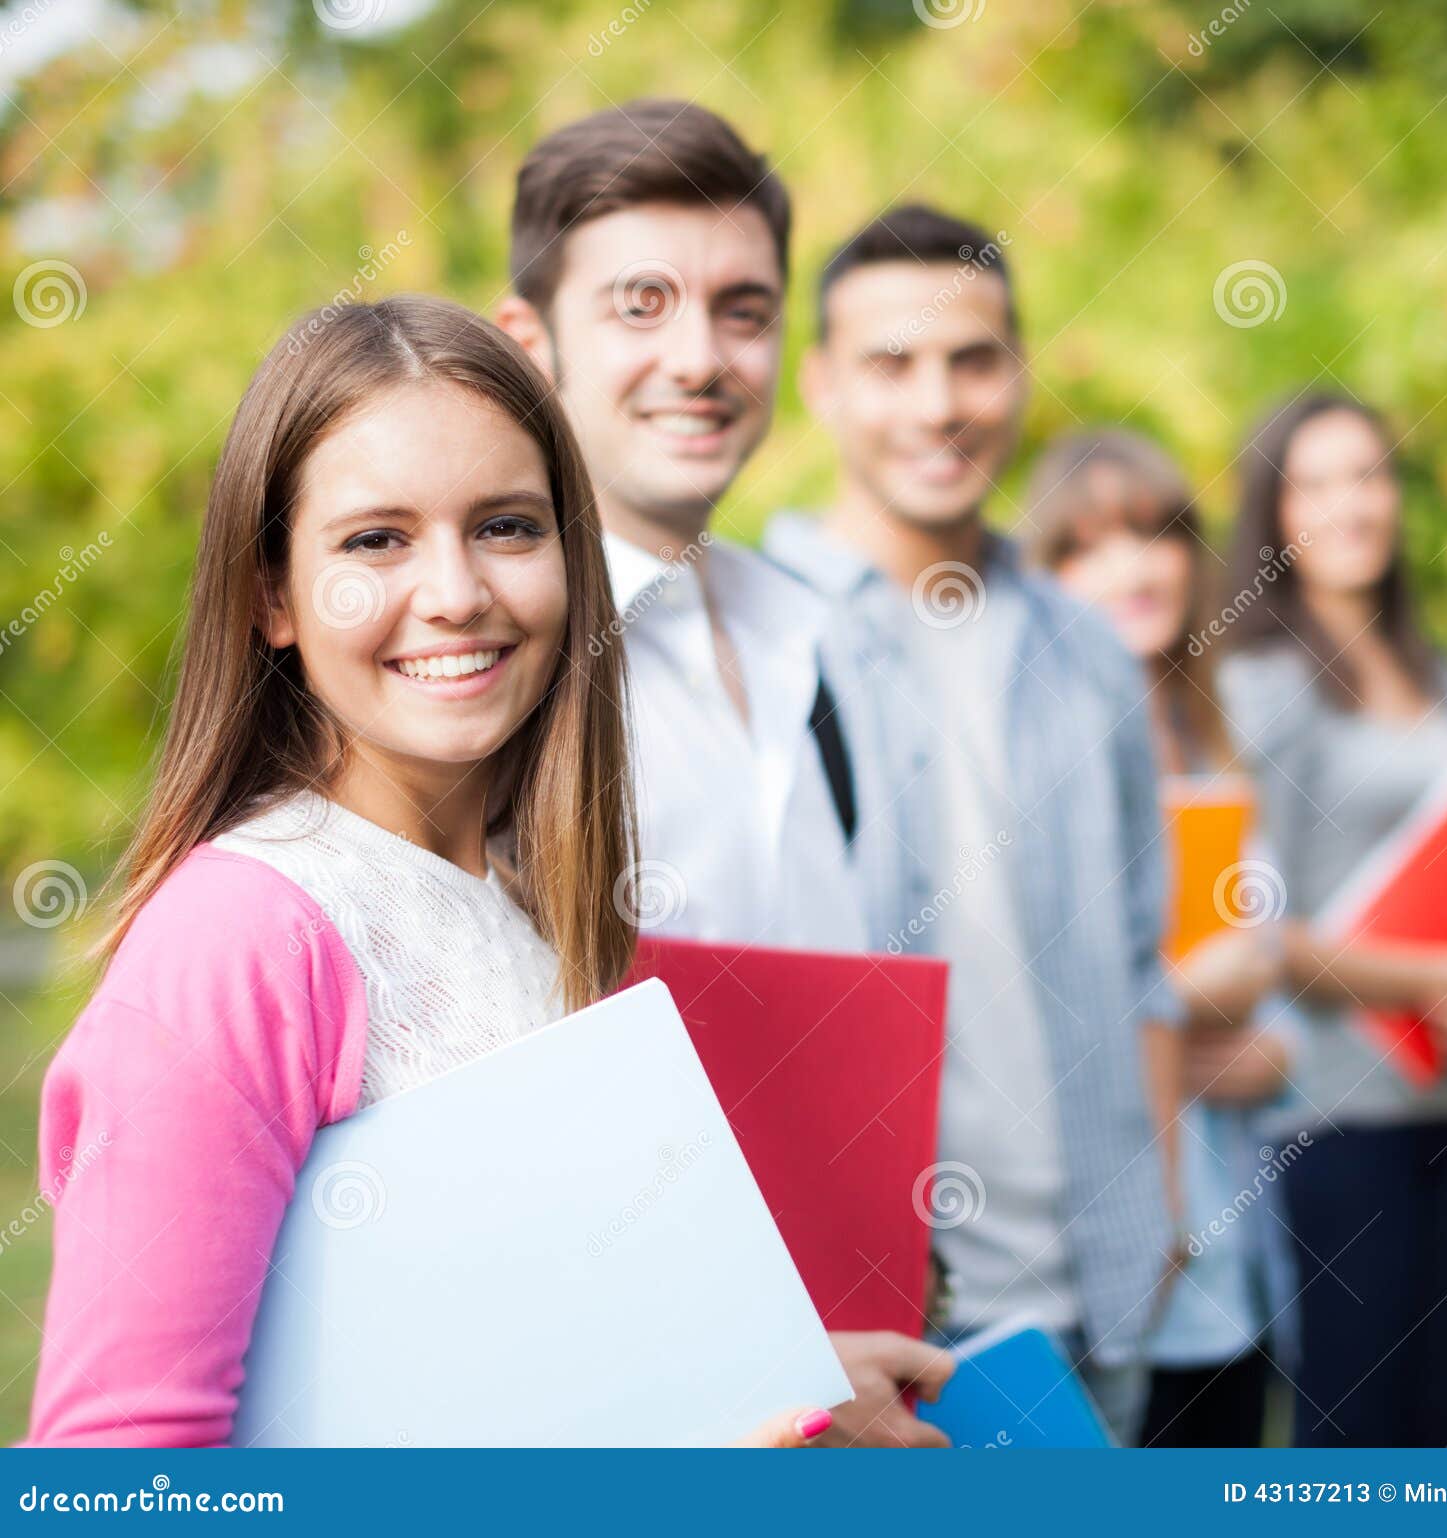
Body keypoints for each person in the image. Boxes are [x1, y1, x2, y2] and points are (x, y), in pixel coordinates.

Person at [23, 295, 831, 1450]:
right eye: (375, 539)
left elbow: (537, 1384)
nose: (455, 591)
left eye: (506, 525)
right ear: (271, 596)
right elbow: (114, 1482)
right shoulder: (239, 938)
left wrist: (786, 1383)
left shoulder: (532, 910)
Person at [497, 102, 952, 1446]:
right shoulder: (484, 678)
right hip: (625, 1410)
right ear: (531, 345)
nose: (699, 357)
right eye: (641, 304)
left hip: (855, 1377)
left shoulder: (817, 640)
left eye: (742, 309)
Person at [766, 205, 1182, 1444]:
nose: (938, 402)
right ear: (823, 386)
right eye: (892, 364)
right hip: (870, 1321)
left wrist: (1156, 1215)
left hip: (1098, 1294)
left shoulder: (1087, 647)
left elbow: (1142, 962)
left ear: (1019, 373)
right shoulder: (753, 638)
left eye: (973, 358)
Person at [1216, 389, 1447, 1447]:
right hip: (1331, 1119)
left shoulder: (1436, 670)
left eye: (1366, 474)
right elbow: (1256, 932)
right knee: (1352, 1434)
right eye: (1314, 482)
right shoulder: (1259, 682)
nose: (1348, 504)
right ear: (1273, 513)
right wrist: (1440, 974)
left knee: (1433, 1429)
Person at [1031, 427, 1301, 1448]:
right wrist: (1184, 997)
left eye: (1155, 534)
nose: (1133, 567)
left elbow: (1275, 1015)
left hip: (1234, 1236)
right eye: (1089, 545)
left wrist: (1270, 1043)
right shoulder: (1036, 759)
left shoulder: (1214, 737)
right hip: (1105, 1242)